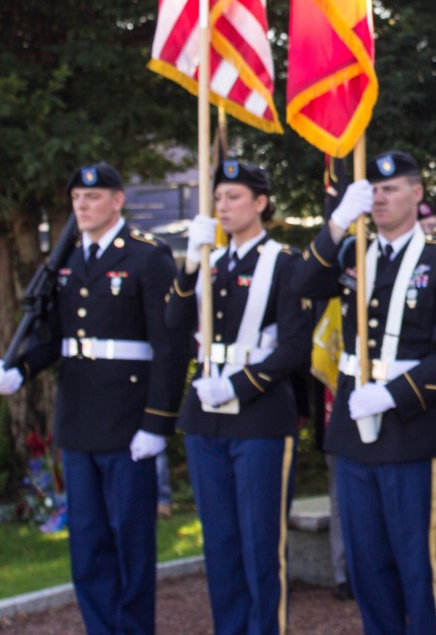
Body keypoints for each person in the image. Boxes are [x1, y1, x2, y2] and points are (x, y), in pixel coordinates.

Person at [0, 162, 190, 635]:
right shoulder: (68, 261)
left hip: (128, 424)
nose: (82, 205)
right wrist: (18, 369)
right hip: (79, 420)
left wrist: (157, 423)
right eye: (76, 197)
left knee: (130, 540)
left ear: (118, 201)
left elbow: (170, 345)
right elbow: (54, 336)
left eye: (93, 197)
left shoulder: (147, 257)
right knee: (87, 541)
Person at [293, 150, 436, 635]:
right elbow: (301, 283)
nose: (380, 198)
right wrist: (337, 223)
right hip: (352, 428)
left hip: (411, 426)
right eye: (373, 190)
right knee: (367, 564)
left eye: (391, 189)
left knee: (416, 564)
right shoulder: (352, 251)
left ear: (417, 194)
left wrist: (394, 395)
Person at [166, 160, 311, 635]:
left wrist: (237, 384)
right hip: (206, 419)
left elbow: (294, 347)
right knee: (221, 546)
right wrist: (189, 262)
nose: (223, 207)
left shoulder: (285, 262)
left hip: (260, 417)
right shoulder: (208, 261)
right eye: (219, 198)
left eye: (233, 197)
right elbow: (173, 326)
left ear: (261, 203)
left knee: (261, 546)